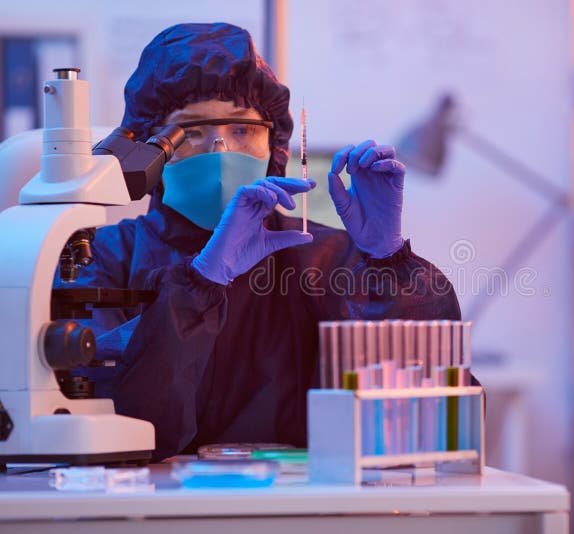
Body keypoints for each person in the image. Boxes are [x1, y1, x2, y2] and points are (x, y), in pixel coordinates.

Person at [58, 22, 460, 460]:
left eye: (244, 130)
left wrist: (387, 264)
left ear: (275, 146)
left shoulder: (324, 261)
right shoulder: (100, 259)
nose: (221, 149)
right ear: (148, 151)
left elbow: (423, 416)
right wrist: (203, 279)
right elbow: (120, 431)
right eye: (190, 131)